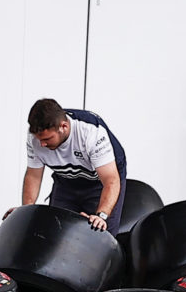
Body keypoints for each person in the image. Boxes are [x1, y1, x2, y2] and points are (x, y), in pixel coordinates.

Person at [22, 97, 128, 231]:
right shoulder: (35, 138)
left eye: (47, 139)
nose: (42, 144)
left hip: (100, 182)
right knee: (56, 230)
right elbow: (33, 176)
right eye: (40, 139)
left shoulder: (91, 132)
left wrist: (101, 215)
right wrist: (25, 212)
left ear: (63, 127)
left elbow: (111, 180)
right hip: (66, 179)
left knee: (99, 232)